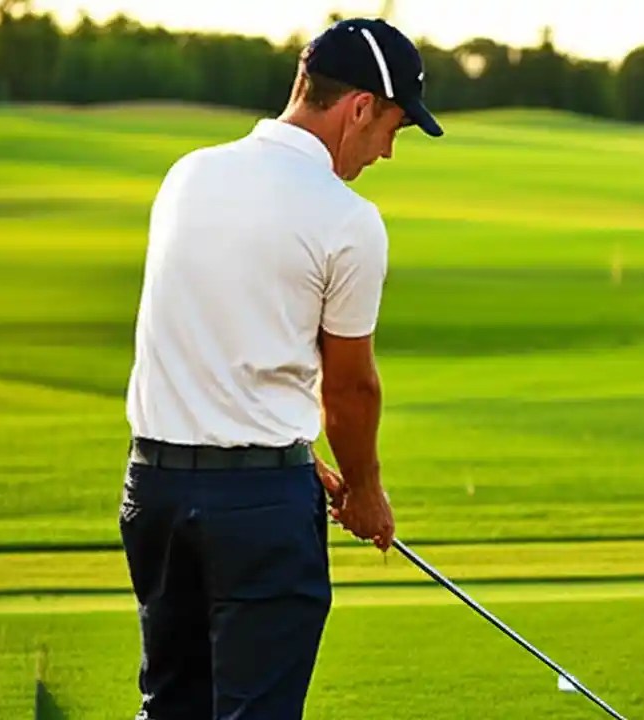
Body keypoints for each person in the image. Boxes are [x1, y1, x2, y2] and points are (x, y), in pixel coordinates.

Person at [119, 18, 443, 719]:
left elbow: (212, 340)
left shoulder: (189, 175)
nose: (388, 150)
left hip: (154, 493)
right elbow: (351, 390)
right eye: (393, 127)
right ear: (359, 107)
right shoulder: (348, 219)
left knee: (170, 707)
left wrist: (291, 455)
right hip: (259, 516)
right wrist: (365, 491)